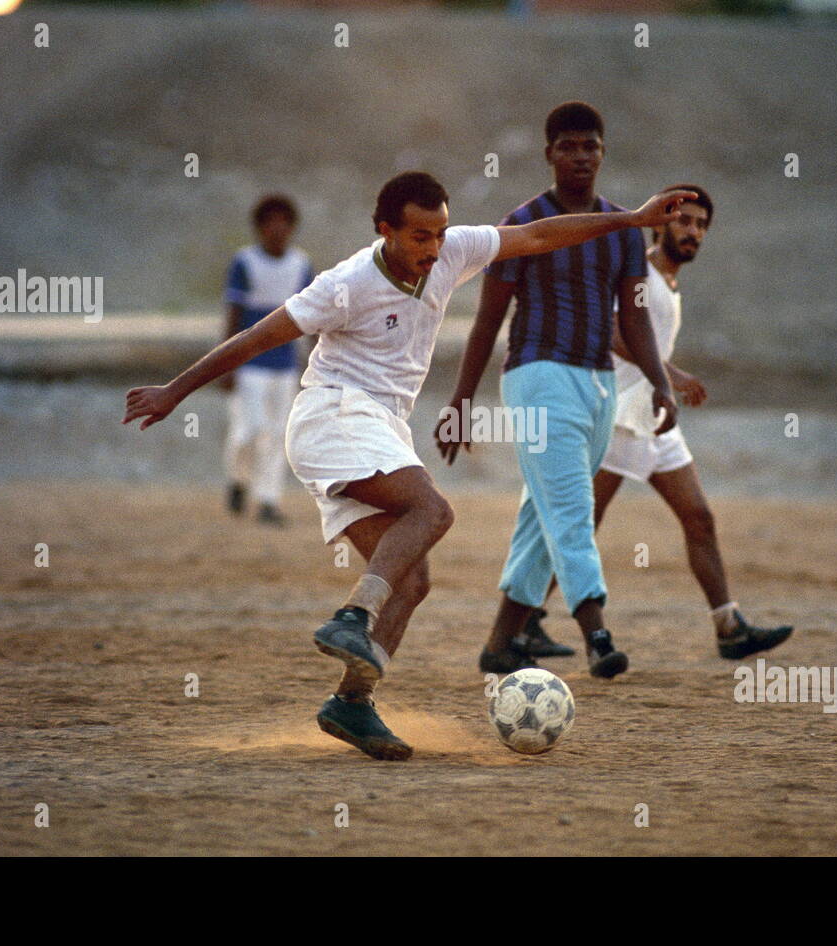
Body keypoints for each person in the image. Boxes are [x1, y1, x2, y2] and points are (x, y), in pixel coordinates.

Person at [124, 171, 694, 760]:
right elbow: (255, 337)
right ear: (385, 230)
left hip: (380, 427)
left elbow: (541, 236)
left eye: (440, 234)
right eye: (420, 236)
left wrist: (629, 220)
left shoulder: (454, 250)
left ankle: (351, 703)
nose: (433, 248)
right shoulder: (345, 283)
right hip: (332, 415)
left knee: (414, 580)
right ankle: (352, 614)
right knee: (432, 510)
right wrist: (175, 391)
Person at [437, 102, 676, 679]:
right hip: (537, 376)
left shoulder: (623, 231)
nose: (580, 156)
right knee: (572, 507)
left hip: (599, 383)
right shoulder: (524, 224)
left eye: (590, 146)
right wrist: (461, 400)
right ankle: (597, 632)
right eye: (568, 146)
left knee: (542, 513)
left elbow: (636, 320)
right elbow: (487, 320)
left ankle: (500, 643)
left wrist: (660, 382)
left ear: (602, 152)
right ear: (549, 155)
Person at [536, 184, 793, 660]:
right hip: (621, 414)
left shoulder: (671, 283)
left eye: (700, 225)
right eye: (683, 220)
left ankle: (729, 627)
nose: (692, 231)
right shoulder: (640, 273)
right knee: (583, 523)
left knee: (699, 517)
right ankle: (525, 618)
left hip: (654, 415)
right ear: (661, 224)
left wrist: (663, 382)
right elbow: (609, 331)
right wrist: (670, 375)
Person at [220, 194, 315, 526]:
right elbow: (233, 315)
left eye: (283, 223)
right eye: (270, 223)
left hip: (285, 364)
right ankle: (238, 479)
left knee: (277, 434)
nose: (277, 230)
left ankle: (268, 501)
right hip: (249, 364)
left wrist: (315, 362)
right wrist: (226, 363)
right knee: (248, 431)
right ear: (260, 228)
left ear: (291, 228)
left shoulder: (301, 265)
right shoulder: (244, 262)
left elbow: (312, 316)